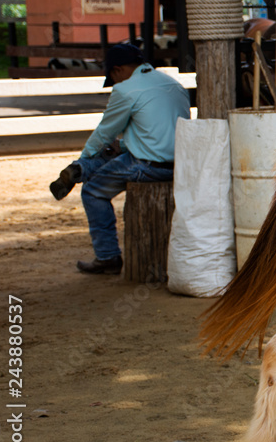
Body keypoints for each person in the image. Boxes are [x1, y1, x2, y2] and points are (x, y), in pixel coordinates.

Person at [50, 44, 190, 274]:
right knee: (114, 151)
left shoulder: (126, 90)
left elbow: (105, 132)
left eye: (113, 78)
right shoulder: (173, 84)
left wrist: (84, 156)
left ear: (117, 70)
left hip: (147, 166)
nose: (114, 83)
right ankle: (81, 169)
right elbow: (157, 131)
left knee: (93, 191)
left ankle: (107, 257)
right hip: (179, 163)